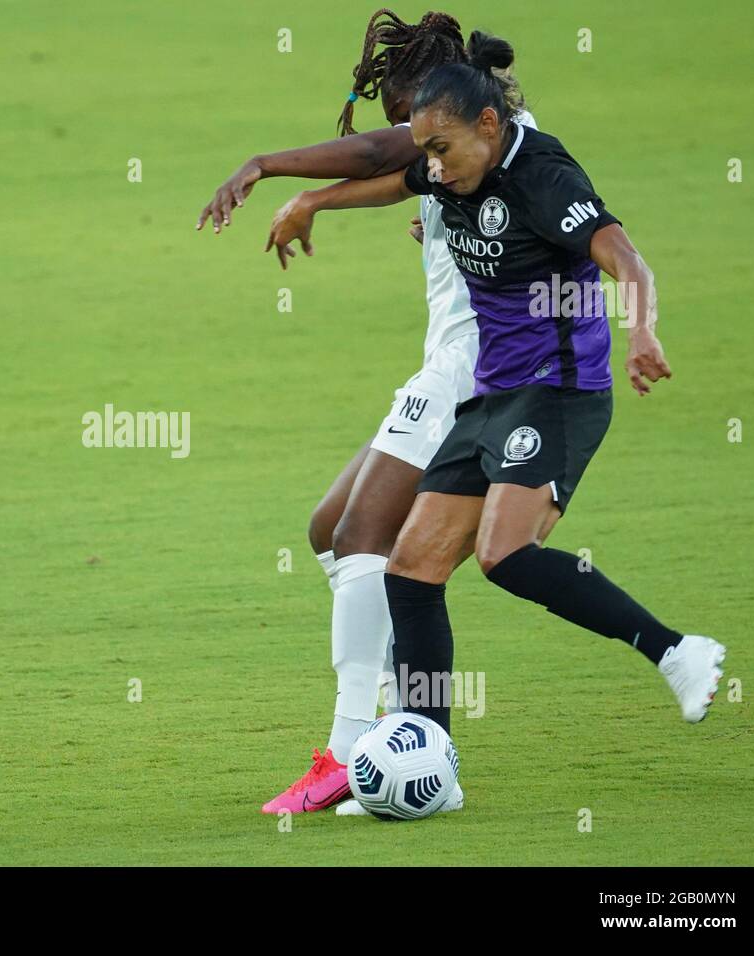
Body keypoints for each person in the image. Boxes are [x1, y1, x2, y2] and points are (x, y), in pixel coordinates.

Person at [275, 33, 725, 742]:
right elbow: (392, 181)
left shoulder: (542, 174)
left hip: (559, 390)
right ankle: (427, 752)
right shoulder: (452, 169)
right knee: (411, 568)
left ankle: (676, 652)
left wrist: (643, 332)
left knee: (503, 555)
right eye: (423, 148)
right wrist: (314, 204)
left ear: (489, 125)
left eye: (440, 148)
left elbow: (626, 256)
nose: (431, 164)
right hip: (490, 395)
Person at [200, 10, 526, 815]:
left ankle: (349, 751)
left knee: (362, 538)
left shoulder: (491, 135)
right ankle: (399, 726)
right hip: (450, 364)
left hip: (475, 367)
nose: (416, 140)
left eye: (421, 127)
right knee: (330, 531)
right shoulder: (477, 147)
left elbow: (385, 155)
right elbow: (406, 171)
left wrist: (268, 168)